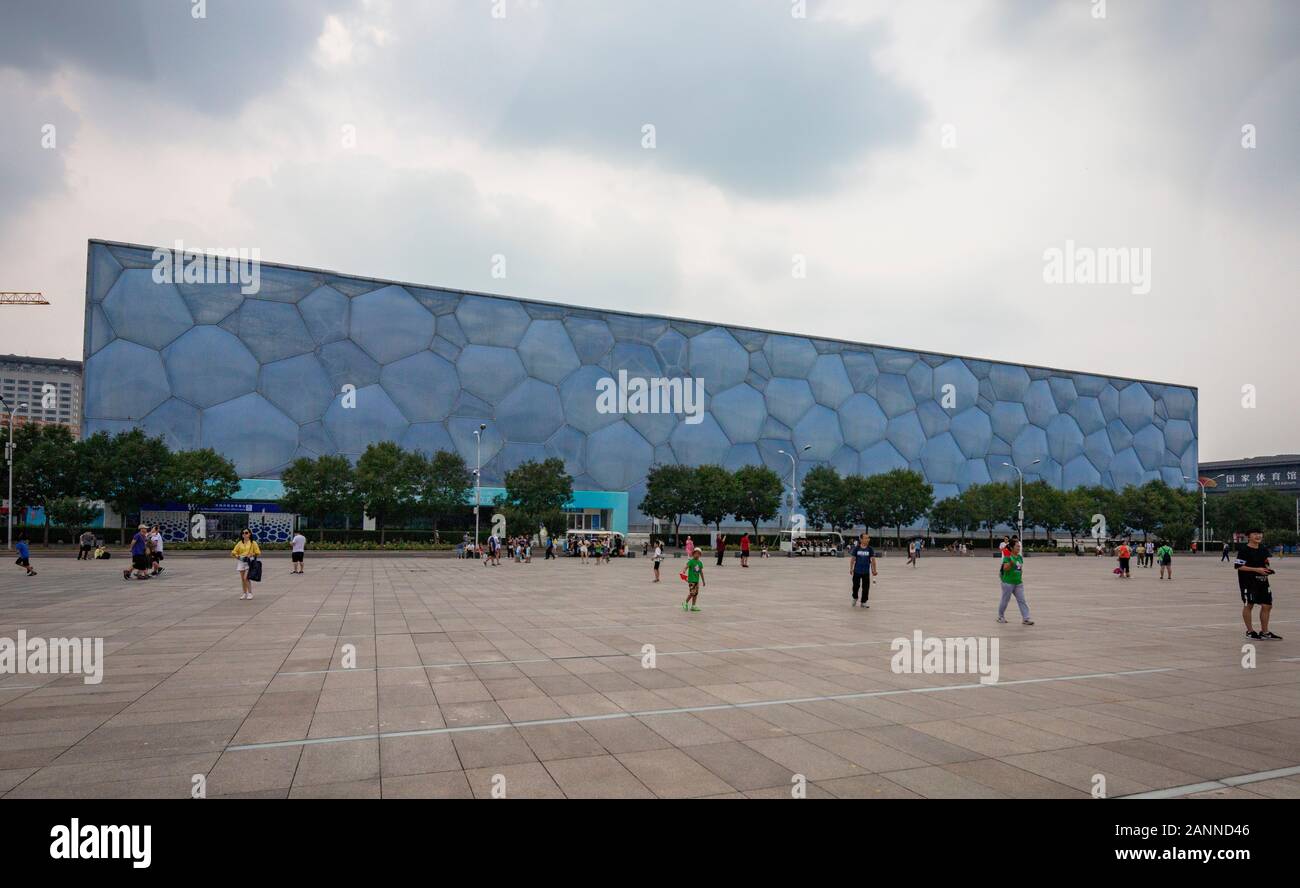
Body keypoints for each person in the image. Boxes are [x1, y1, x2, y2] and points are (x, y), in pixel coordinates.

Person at [1236, 529, 1280, 640]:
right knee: (1249, 605)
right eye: (1255, 534)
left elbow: (1265, 562)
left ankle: (1265, 632)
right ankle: (1250, 632)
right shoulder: (1244, 550)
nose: (1258, 536)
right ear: (1248, 537)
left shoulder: (1263, 549)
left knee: (1267, 605)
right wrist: (1256, 570)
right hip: (1248, 582)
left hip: (1263, 581)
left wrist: (1268, 570)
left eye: (1260, 534)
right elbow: (1239, 566)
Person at [997, 537, 1034, 625]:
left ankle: (1026, 618)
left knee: (1022, 600)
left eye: (1019, 547)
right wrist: (1011, 563)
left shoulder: (1020, 557)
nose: (1019, 548)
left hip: (1018, 583)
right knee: (1005, 600)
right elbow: (1005, 568)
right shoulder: (1008, 557)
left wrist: (1020, 578)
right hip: (1008, 582)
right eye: (1017, 547)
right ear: (1012, 547)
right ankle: (1000, 616)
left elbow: (1020, 569)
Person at [848, 532, 877, 608]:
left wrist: (874, 570)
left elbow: (873, 560)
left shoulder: (870, 549)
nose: (868, 539)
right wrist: (851, 568)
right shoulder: (856, 548)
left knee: (866, 588)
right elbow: (853, 559)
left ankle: (863, 602)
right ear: (861, 539)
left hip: (866, 572)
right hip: (857, 571)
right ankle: (855, 597)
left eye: (868, 538)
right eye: (866, 538)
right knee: (855, 586)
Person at [232, 528, 261, 600]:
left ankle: (250, 593)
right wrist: (237, 556)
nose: (244, 534)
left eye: (246, 533)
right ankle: (244, 593)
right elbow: (233, 552)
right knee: (242, 579)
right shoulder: (240, 543)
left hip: (249, 561)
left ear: (249, 534)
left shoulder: (253, 543)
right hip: (241, 561)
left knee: (246, 578)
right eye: (243, 533)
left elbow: (258, 552)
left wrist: (252, 554)